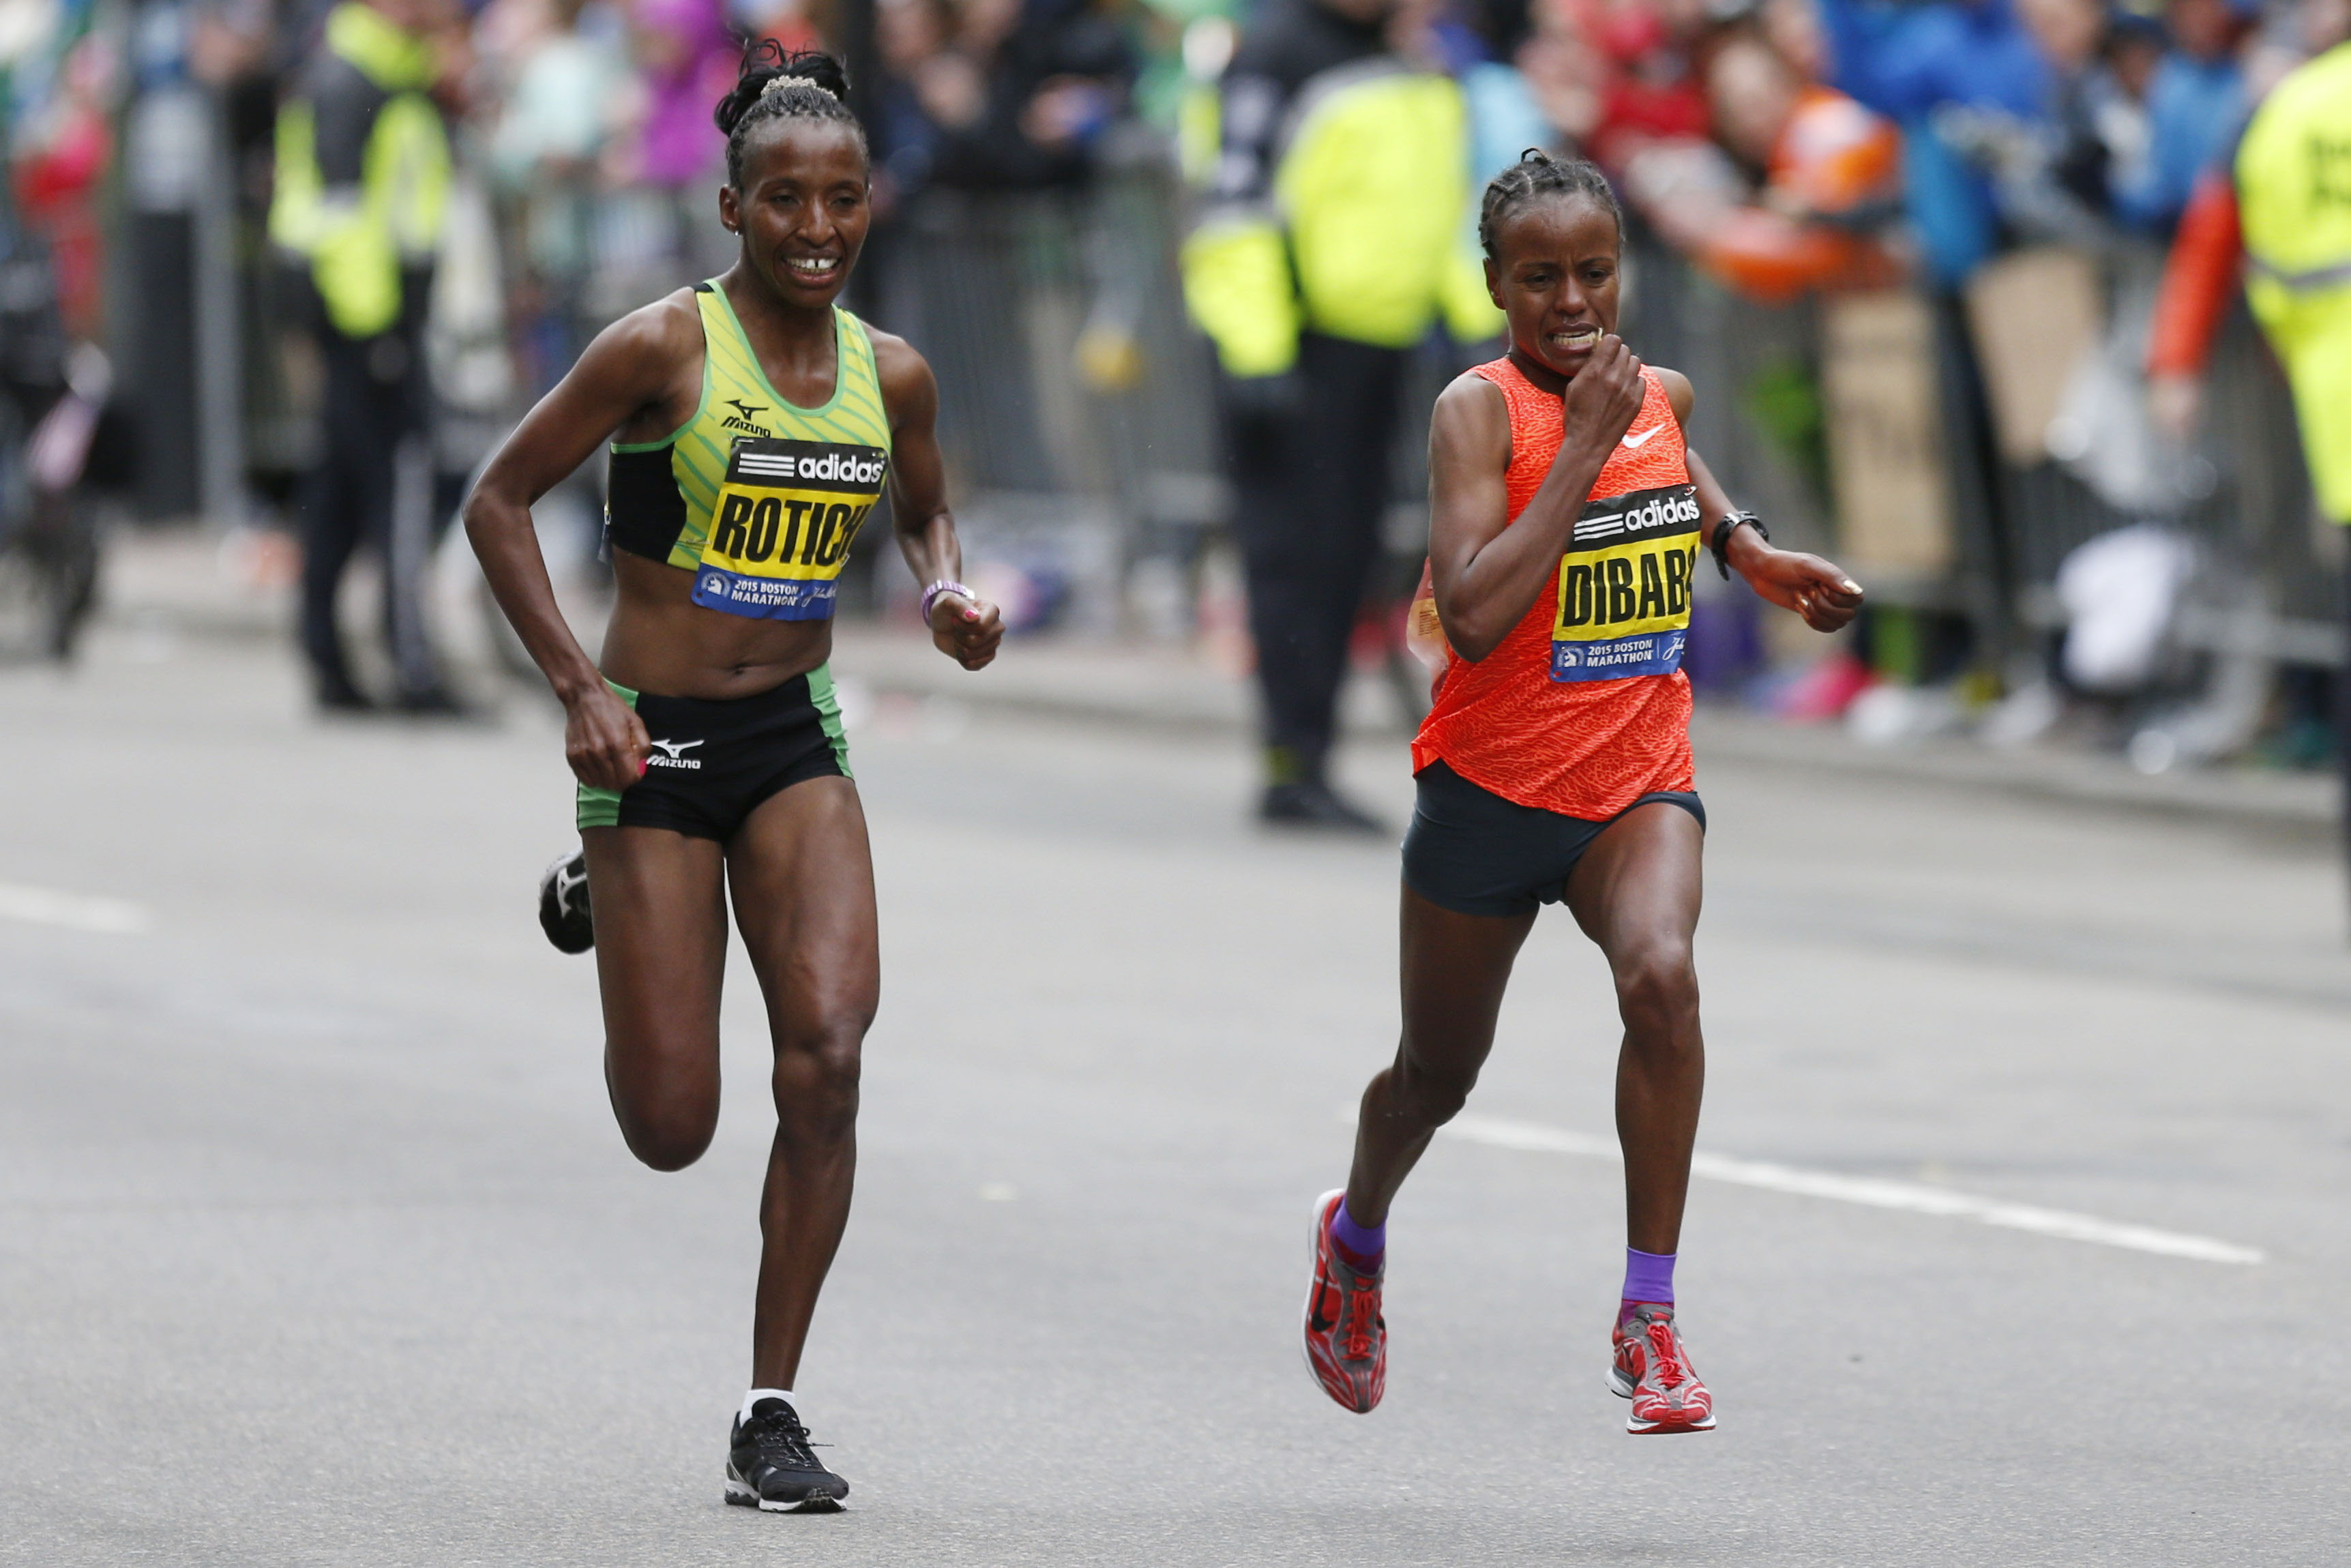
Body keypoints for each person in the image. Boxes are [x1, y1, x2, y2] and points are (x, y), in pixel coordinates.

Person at [461, 46, 1004, 1511]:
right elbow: (496, 499)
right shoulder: (662, 351)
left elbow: (928, 514)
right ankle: (606, 879)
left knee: (825, 1057)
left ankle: (769, 1408)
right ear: (730, 207)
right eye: (784, 200)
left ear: (869, 205)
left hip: (790, 746)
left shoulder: (893, 373)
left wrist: (946, 592)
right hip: (647, 742)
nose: (815, 226)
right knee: (670, 1127)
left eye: (840, 198)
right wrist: (578, 689)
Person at [1300, 151, 1862, 1431]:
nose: (1572, 301)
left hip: (1634, 777)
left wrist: (1747, 550)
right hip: (1490, 794)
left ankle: (1648, 1317)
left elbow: (1673, 453)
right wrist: (1580, 447)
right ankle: (1358, 1230)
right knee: (1432, 1077)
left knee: (1661, 976)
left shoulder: (1649, 391)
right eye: (1540, 277)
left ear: (1623, 270)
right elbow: (1479, 617)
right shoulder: (1478, 412)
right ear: (1493, 284)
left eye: (1594, 272)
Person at [1181, 0, 1494, 830]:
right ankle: (1292, 762)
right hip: (1292, 342)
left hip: (1381, 348)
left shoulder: (1418, 59)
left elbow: (1441, 206)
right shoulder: (1277, 54)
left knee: (1348, 555)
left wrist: (1474, 321)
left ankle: (1312, 758)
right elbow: (1235, 206)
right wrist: (1255, 347)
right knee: (1294, 560)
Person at [269, 0, 459, 712]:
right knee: (397, 484)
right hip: (367, 324)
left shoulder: (380, 74)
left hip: (359, 320)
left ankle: (328, 660)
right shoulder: (355, 80)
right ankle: (411, 667)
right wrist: (379, 332)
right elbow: (345, 221)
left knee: (340, 491)